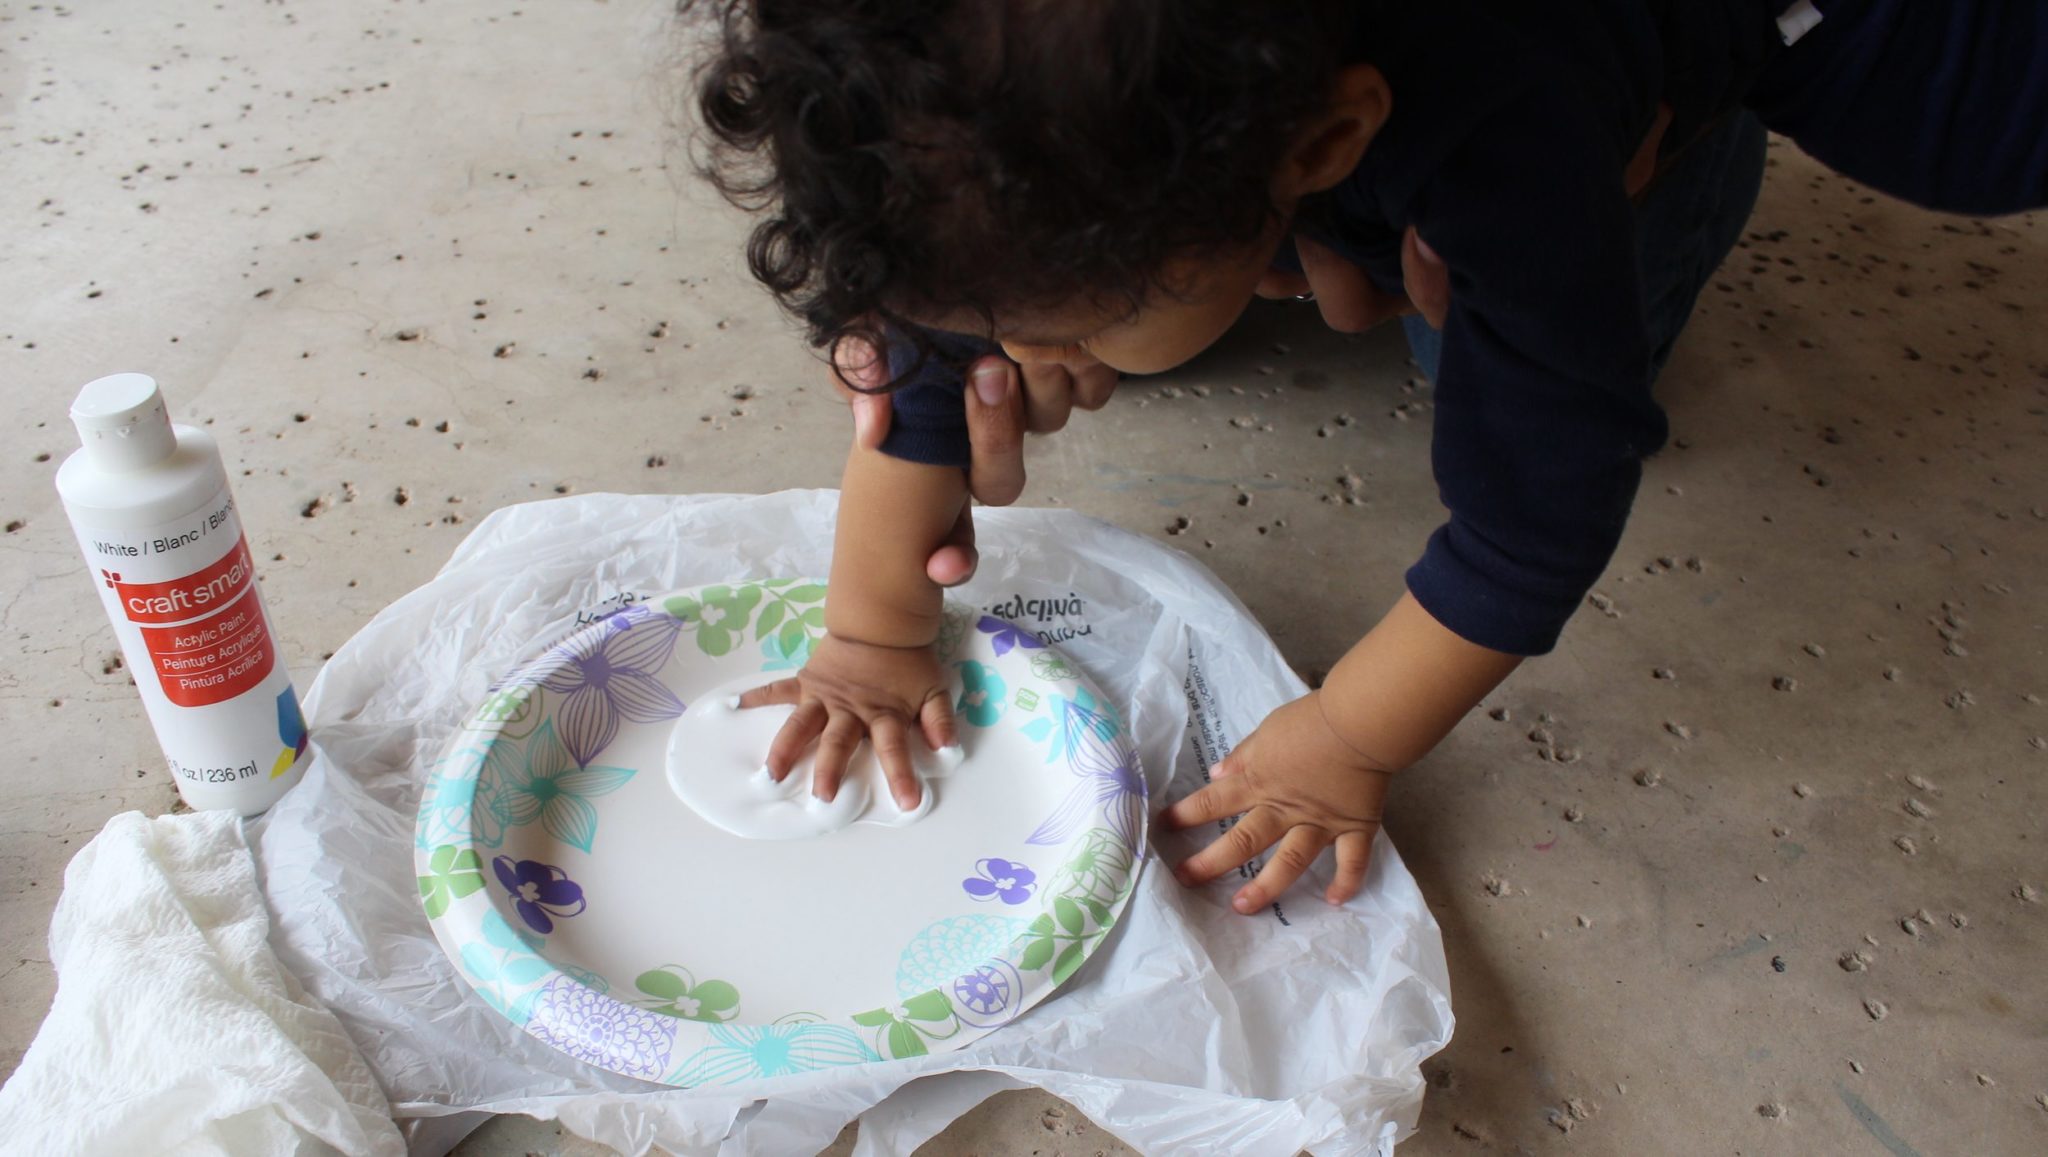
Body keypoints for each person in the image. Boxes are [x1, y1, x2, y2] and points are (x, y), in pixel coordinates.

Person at [682, 0, 2047, 914]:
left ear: (1329, 139)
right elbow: (926, 343)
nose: (1013, 357)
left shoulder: (1509, 128)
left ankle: (1695, 133)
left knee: (1501, 337)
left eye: (1064, 329)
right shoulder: (952, 105)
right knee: (1078, 275)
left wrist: (1341, 738)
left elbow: (1540, 510)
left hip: (1672, 54)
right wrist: (870, 636)